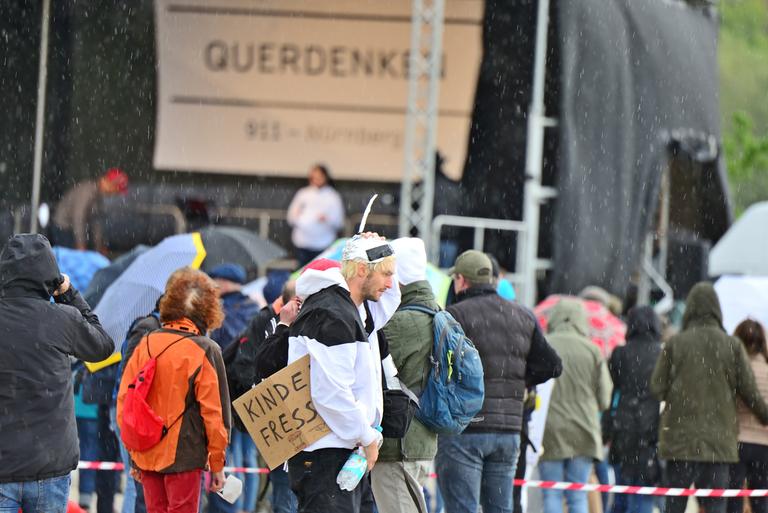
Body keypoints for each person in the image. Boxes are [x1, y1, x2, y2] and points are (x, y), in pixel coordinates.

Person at [437, 250, 563, 513]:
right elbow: (552, 365)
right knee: (501, 508)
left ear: (461, 280)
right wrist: (519, 381)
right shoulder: (523, 315)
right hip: (508, 430)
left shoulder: (454, 315)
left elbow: (438, 368)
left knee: (462, 508)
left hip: (466, 429)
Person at [287, 233, 401, 513]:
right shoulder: (333, 313)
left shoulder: (348, 309)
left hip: (337, 450)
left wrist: (381, 245)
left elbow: (392, 297)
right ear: (362, 270)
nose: (390, 283)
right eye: (386, 274)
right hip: (327, 453)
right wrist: (367, 436)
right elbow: (330, 393)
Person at [0, 233, 114, 512]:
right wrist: (69, 294)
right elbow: (103, 346)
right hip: (51, 462)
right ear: (50, 276)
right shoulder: (64, 319)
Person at [117, 267, 231, 513]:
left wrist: (135, 453)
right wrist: (217, 463)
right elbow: (214, 415)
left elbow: (126, 401)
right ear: (208, 310)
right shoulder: (206, 350)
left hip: (147, 450)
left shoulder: (148, 341)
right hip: (185, 454)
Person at [651, 282, 768, 513]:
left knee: (674, 506)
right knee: (716, 506)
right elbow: (749, 391)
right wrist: (765, 416)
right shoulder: (732, 346)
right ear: (717, 310)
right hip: (719, 445)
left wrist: (679, 391)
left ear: (690, 309)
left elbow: (656, 387)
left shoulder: (676, 343)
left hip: (680, 443)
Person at [371, 237, 438, 513]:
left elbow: (369, 368)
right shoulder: (434, 311)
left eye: (388, 272)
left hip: (399, 444)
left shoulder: (401, 321)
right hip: (420, 438)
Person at [537, 298, 612, 513]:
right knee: (577, 496)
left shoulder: (544, 345)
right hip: (584, 431)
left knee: (551, 493)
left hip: (549, 431)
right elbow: (605, 399)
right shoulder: (593, 350)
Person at [206, 264, 261, 513]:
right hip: (253, 392)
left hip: (226, 390)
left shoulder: (221, 311)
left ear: (224, 283)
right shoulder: (254, 308)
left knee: (232, 455)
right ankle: (247, 507)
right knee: (249, 458)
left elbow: (217, 349)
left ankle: (232, 505)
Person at [607, 306, 663, 513]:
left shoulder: (620, 354)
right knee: (644, 497)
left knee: (621, 495)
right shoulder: (661, 354)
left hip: (622, 429)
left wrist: (607, 428)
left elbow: (612, 392)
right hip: (650, 432)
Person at [727, 319, 768, 513]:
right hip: (764, 445)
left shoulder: (736, 369)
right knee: (761, 500)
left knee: (733, 499)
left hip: (738, 442)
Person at [51, 167, 129, 251]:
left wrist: (99, 245)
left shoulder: (98, 195)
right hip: (63, 228)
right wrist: (80, 243)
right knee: (70, 259)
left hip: (72, 229)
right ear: (106, 182)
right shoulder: (87, 191)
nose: (114, 193)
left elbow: (96, 222)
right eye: (115, 189)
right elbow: (78, 218)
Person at [286, 164, 345, 266]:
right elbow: (291, 217)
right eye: (314, 176)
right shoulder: (303, 194)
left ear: (325, 177)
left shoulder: (332, 196)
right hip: (303, 243)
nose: (316, 179)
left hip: (323, 243)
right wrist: (298, 217)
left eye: (319, 176)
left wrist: (327, 219)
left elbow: (339, 222)